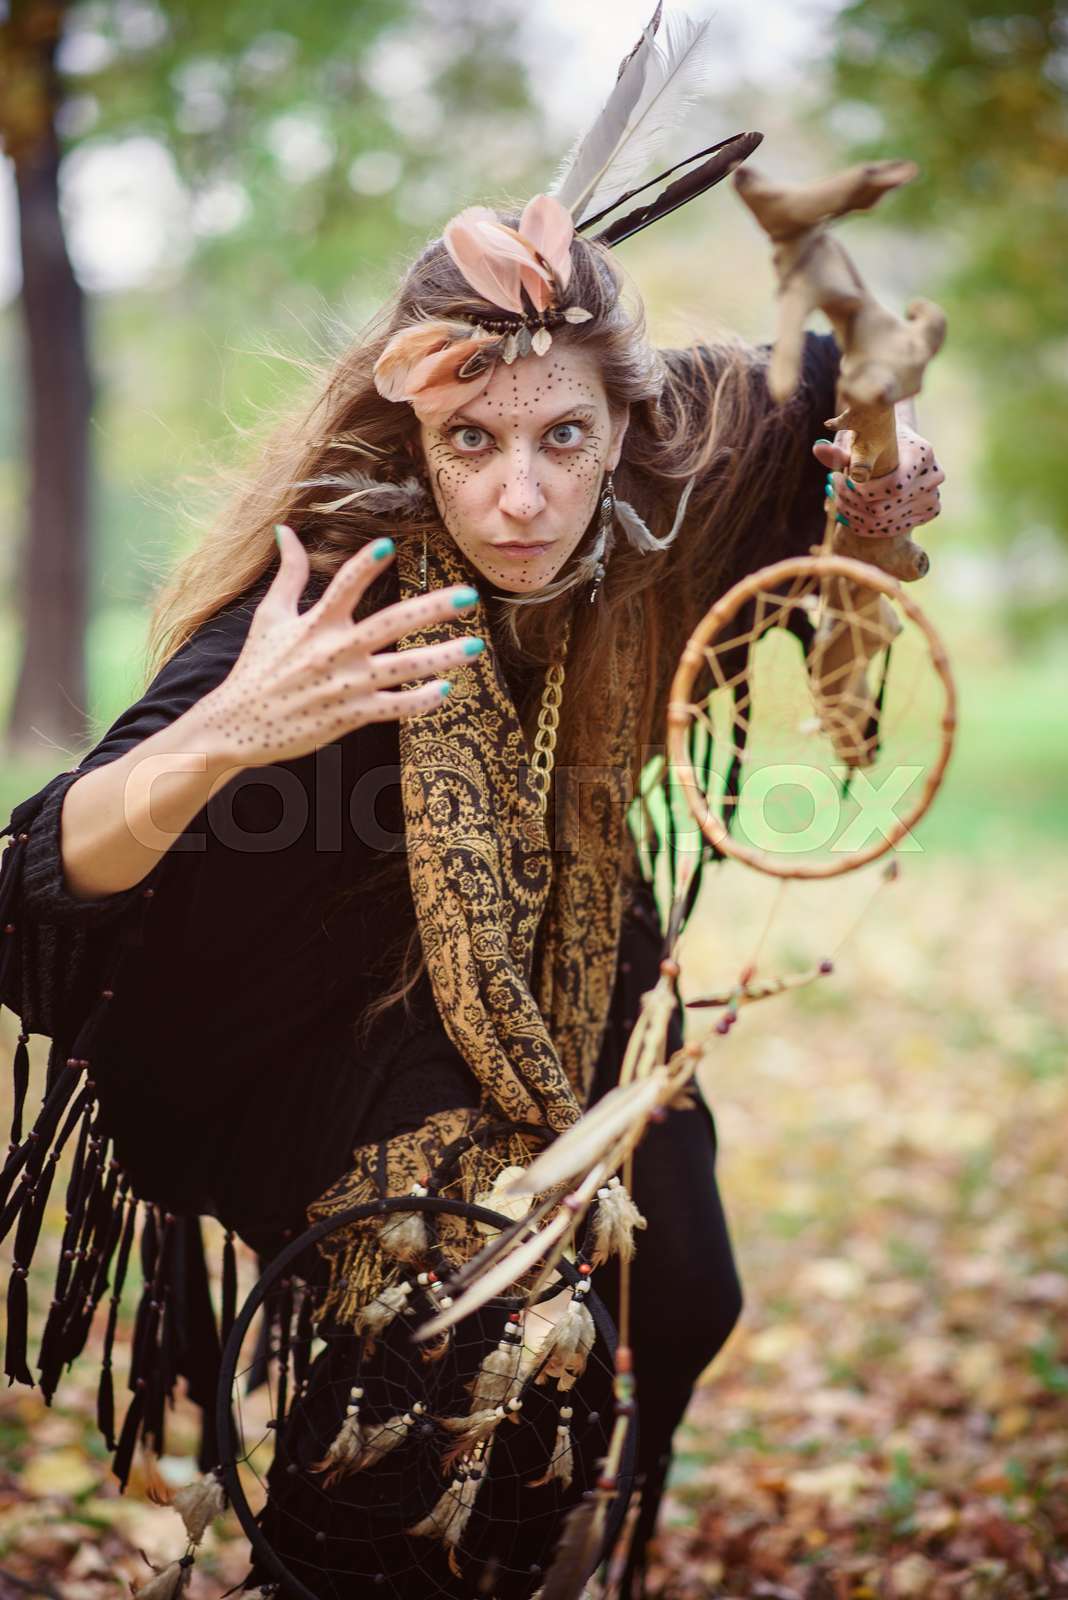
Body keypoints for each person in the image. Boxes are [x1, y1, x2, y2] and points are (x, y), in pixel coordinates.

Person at [0, 90, 944, 1600]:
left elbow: (831, 394)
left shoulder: (654, 481)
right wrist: (227, 736)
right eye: (471, 438)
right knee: (463, 1289)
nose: (521, 490)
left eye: (564, 436)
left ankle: (545, 1547)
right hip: (323, 1018)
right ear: (416, 434)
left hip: (575, 963)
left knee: (680, 1289)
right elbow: (35, 886)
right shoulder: (335, 590)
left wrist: (883, 470)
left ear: (622, 429)